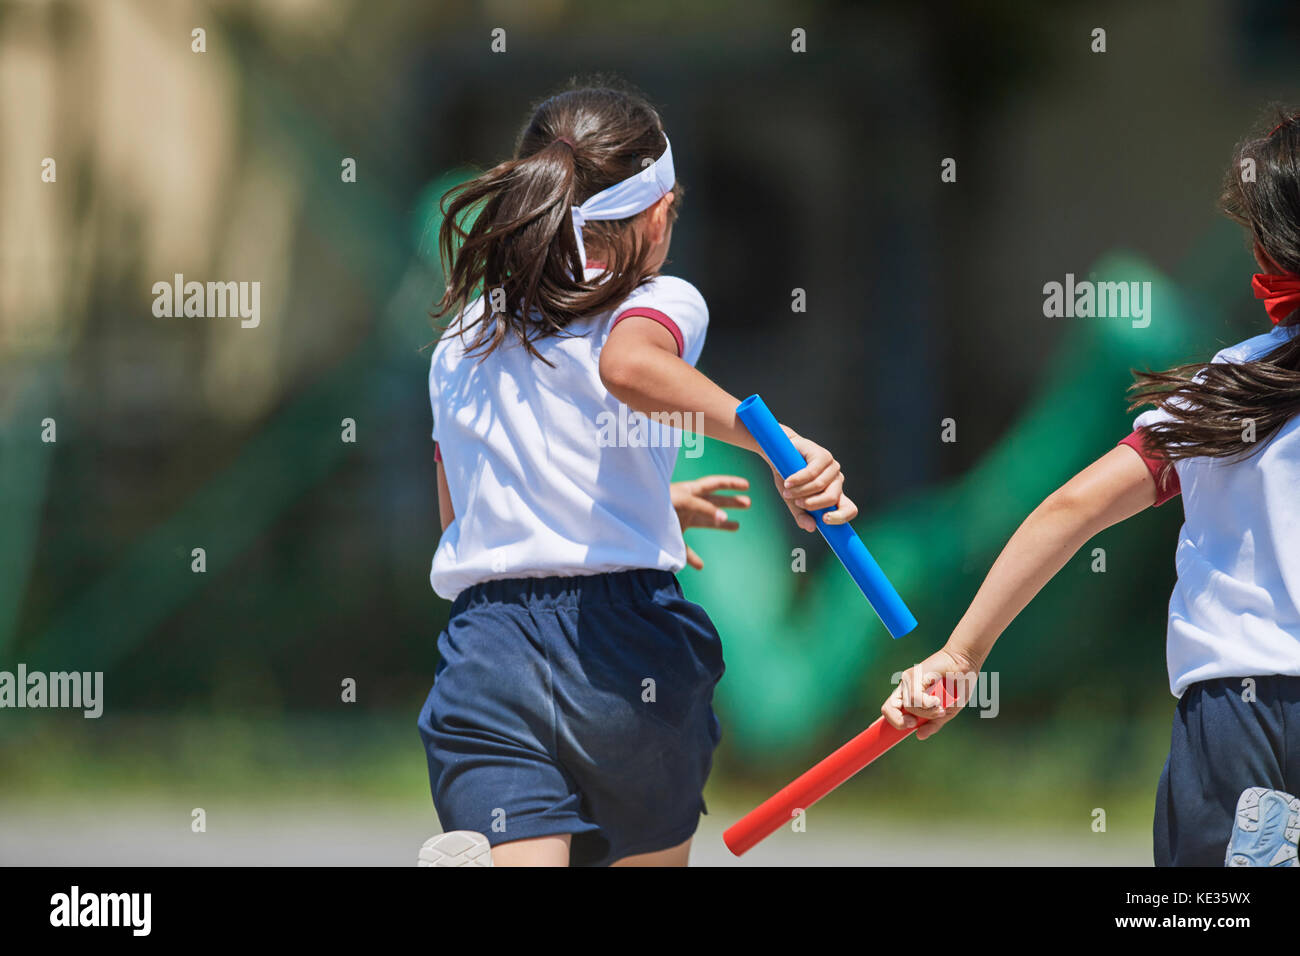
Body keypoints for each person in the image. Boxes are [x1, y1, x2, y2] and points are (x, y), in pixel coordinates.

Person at [417, 82, 856, 867]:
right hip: (623, 653)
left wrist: (642, 509)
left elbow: (465, 515)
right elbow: (626, 367)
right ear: (657, 215)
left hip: (489, 650)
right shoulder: (658, 300)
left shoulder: (463, 338)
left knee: (517, 849)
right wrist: (778, 443)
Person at [881, 110, 1300, 867]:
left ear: (1267, 249)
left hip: (1237, 719)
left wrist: (961, 656)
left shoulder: (1224, 391)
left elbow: (1071, 508)